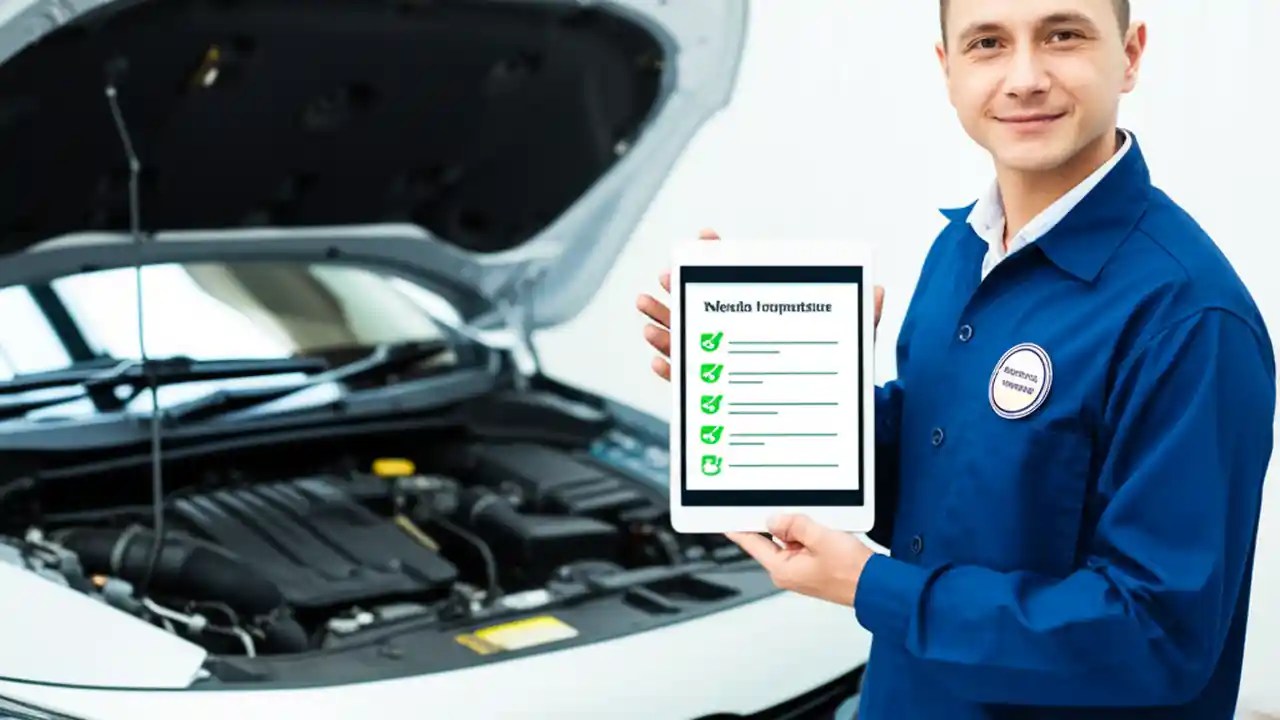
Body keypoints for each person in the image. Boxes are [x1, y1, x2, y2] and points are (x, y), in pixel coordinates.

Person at [635, 0, 1277, 717]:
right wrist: (771, 384)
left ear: (1129, 55)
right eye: (988, 43)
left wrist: (871, 586)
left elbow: (1155, 638)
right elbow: (943, 483)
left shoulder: (1190, 319)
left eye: (1063, 35)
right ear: (948, 70)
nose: (1025, 77)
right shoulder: (961, 249)